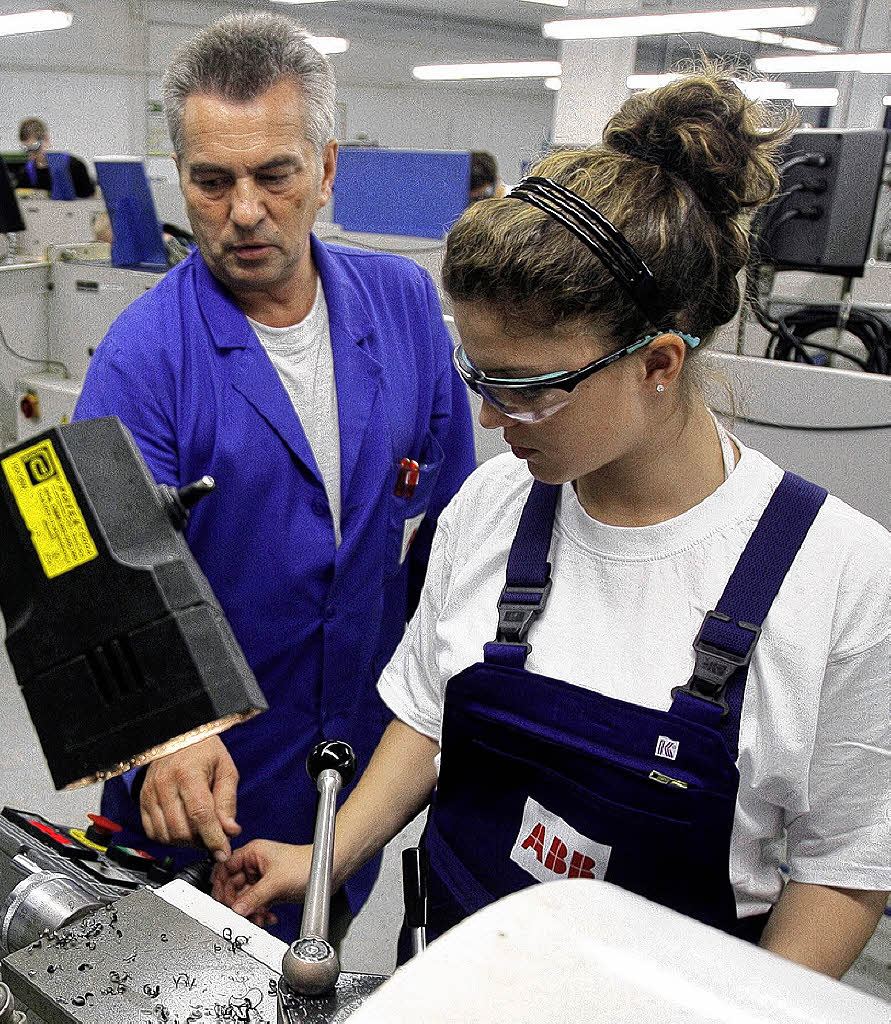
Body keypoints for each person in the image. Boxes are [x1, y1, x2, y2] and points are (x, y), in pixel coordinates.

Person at [212, 68, 890, 979]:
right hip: (457, 976)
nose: (490, 422)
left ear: (655, 363)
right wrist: (327, 855)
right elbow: (426, 709)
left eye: (527, 392)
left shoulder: (840, 577)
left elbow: (841, 871)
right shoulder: (494, 508)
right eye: (479, 378)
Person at [74, 11, 475, 940]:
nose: (243, 211)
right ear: (184, 178)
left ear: (325, 170)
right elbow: (93, 590)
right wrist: (168, 735)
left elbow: (454, 532)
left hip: (356, 761)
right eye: (212, 182)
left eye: (273, 176)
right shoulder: (144, 359)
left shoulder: (405, 306)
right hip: (209, 789)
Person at [16, 117, 96, 197]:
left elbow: (91, 200)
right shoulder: (27, 173)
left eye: (35, 148)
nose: (32, 155)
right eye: (27, 150)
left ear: (46, 139)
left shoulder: (75, 166)